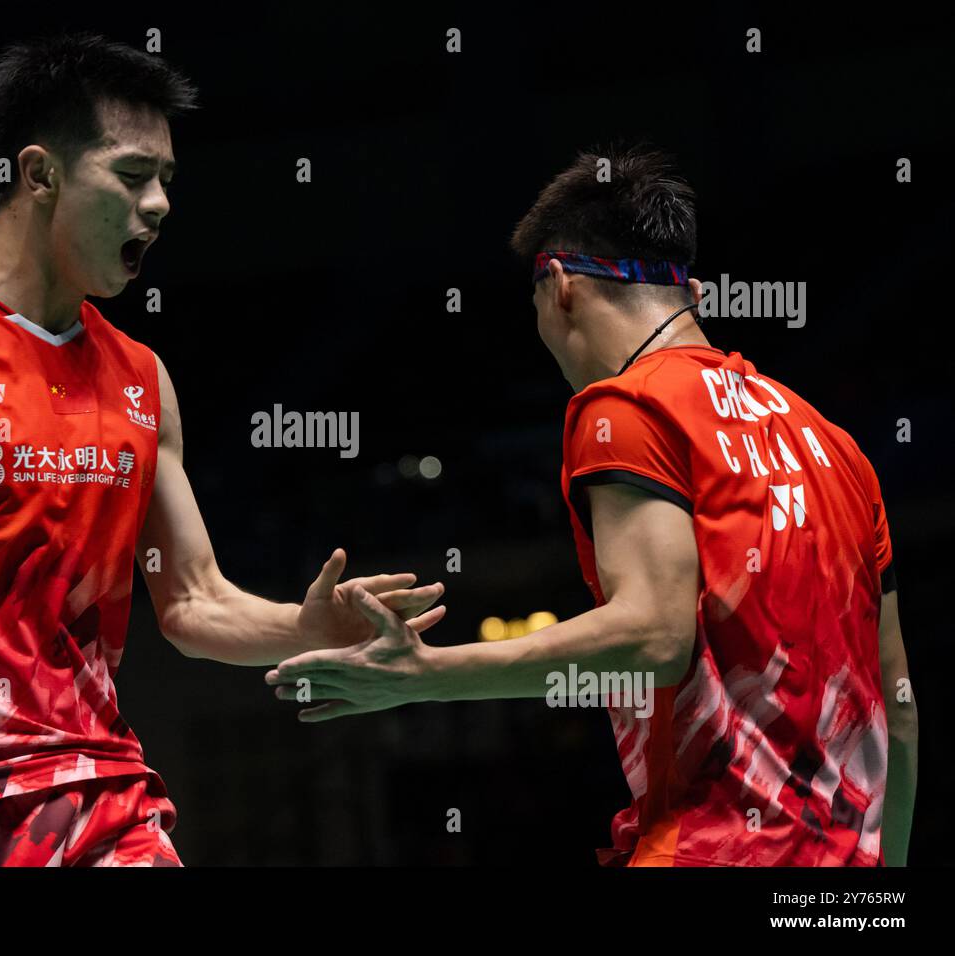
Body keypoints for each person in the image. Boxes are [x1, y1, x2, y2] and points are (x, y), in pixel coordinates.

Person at [0, 32, 444, 867]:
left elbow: (191, 601)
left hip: (105, 796)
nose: (160, 206)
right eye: (133, 175)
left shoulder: (142, 378)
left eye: (169, 182)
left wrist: (301, 624)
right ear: (40, 175)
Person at [267, 146, 916, 867]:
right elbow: (901, 702)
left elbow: (652, 637)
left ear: (560, 283)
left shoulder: (624, 406)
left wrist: (425, 673)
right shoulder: (834, 445)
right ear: (692, 292)